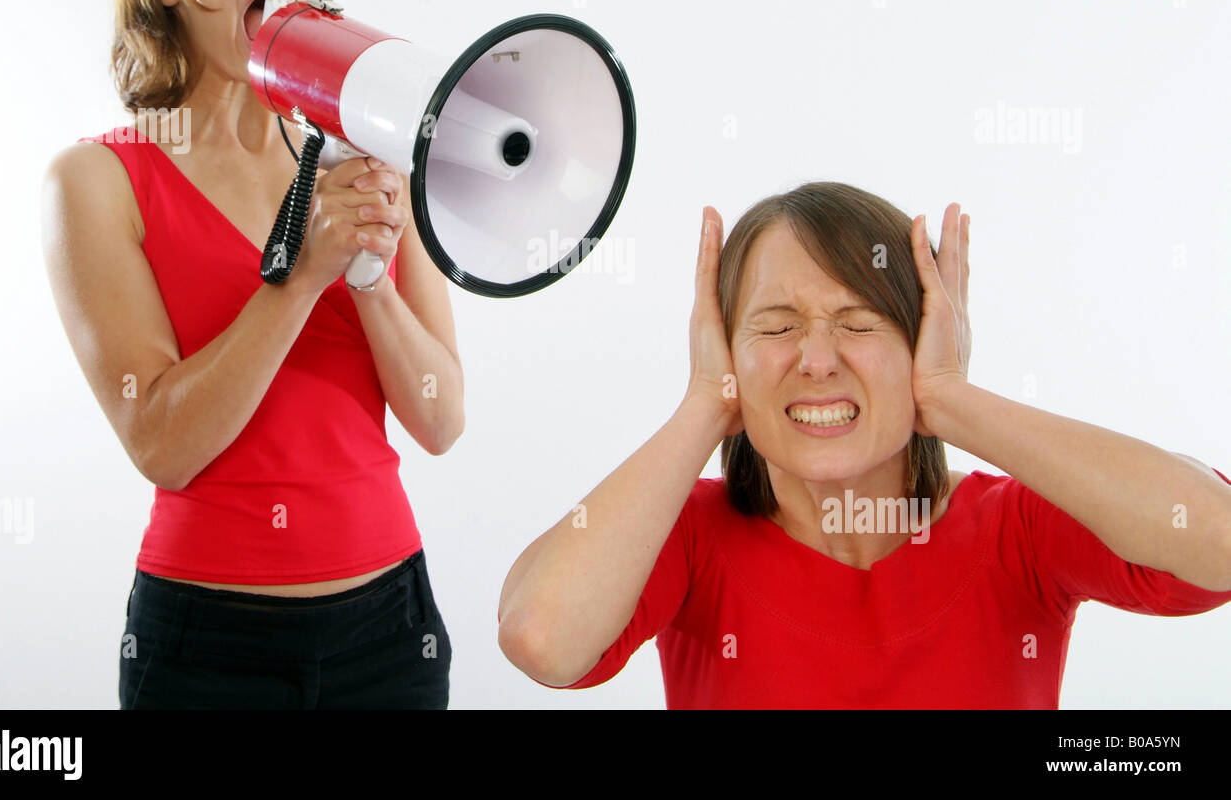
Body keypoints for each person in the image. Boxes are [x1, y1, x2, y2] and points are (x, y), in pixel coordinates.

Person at [497, 183, 1231, 708]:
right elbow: (540, 639)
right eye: (776, 326)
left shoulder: (1016, 531)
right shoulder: (686, 536)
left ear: (918, 342)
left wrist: (951, 401)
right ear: (724, 350)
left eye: (858, 323)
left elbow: (1217, 536)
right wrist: (702, 406)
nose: (816, 359)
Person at [40, 0, 464, 709]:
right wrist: (301, 277)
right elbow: (162, 443)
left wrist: (368, 276)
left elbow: (439, 419)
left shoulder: (365, 156)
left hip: (392, 631)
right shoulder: (97, 180)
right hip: (208, 642)